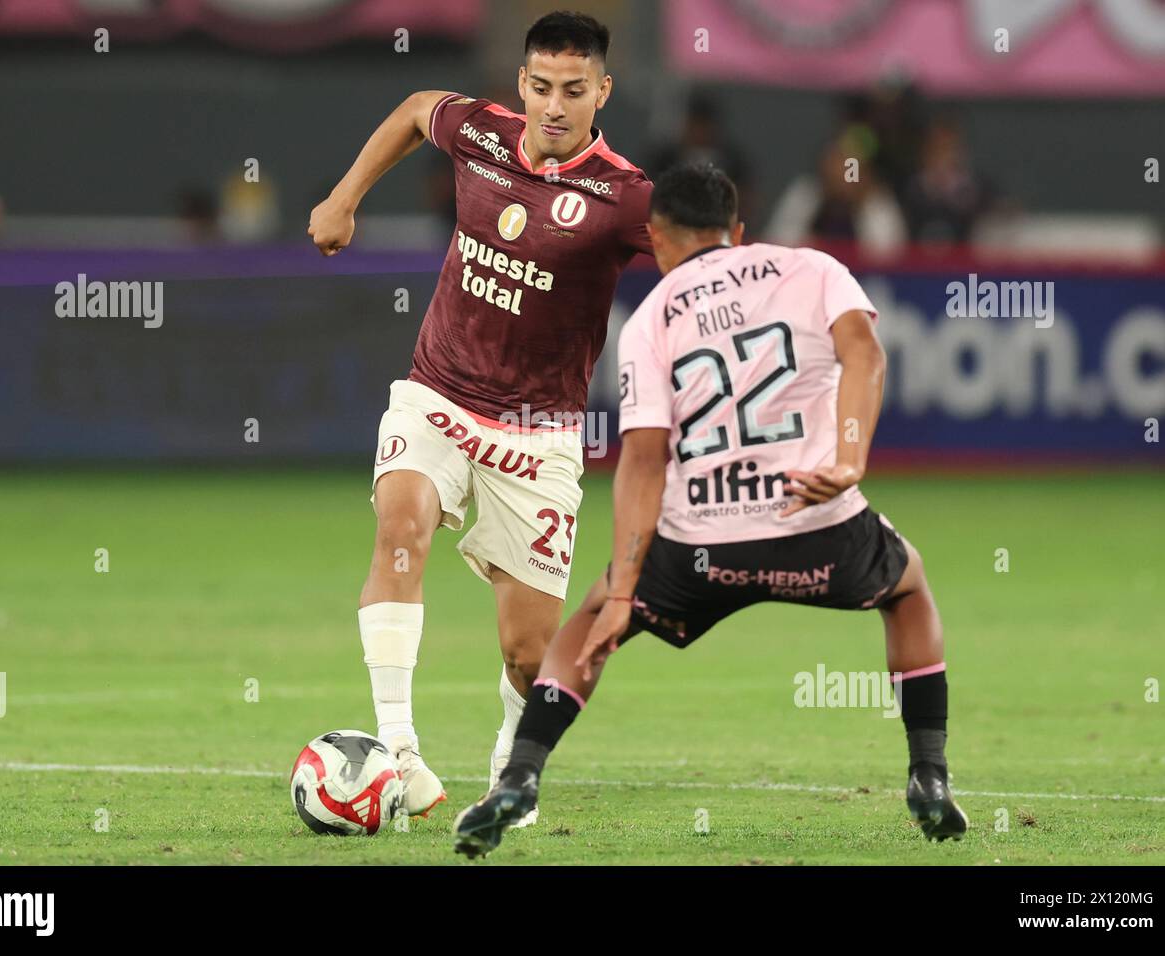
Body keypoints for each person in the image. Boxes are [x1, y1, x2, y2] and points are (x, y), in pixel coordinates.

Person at [453, 162, 967, 857]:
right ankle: (929, 778)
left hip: (698, 545)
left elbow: (642, 460)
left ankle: (517, 780)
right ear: (739, 230)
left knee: (584, 629)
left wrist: (625, 593)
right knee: (907, 588)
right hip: (815, 524)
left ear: (656, 237)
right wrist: (849, 460)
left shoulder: (651, 319)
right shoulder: (812, 269)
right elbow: (865, 355)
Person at [307, 12, 653, 825]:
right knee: (400, 529)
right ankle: (396, 753)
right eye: (540, 87)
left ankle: (510, 755)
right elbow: (413, 107)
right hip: (437, 394)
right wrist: (342, 197)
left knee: (530, 654)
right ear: (522, 85)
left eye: (574, 90)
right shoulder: (484, 135)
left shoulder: (623, 196)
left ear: (602, 91)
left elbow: (690, 255)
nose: (554, 106)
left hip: (537, 435)